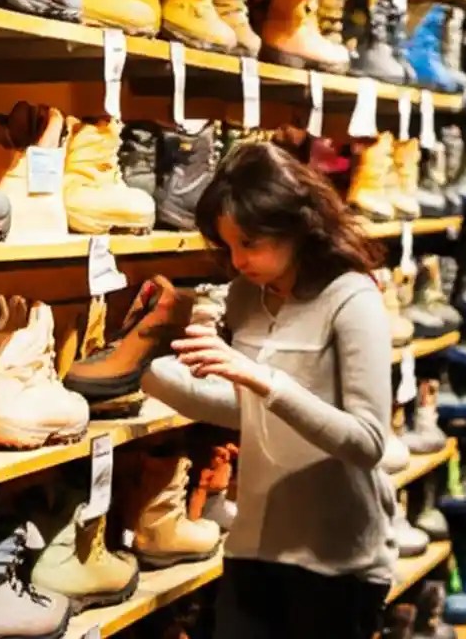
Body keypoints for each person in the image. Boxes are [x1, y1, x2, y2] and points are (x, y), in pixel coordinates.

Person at [142, 141, 396, 638]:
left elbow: (369, 443)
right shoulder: (244, 297)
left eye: (250, 244)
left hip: (336, 561)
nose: (236, 260)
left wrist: (263, 378)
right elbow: (248, 412)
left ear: (296, 227)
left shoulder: (351, 297)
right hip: (251, 550)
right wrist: (143, 370)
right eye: (227, 245)